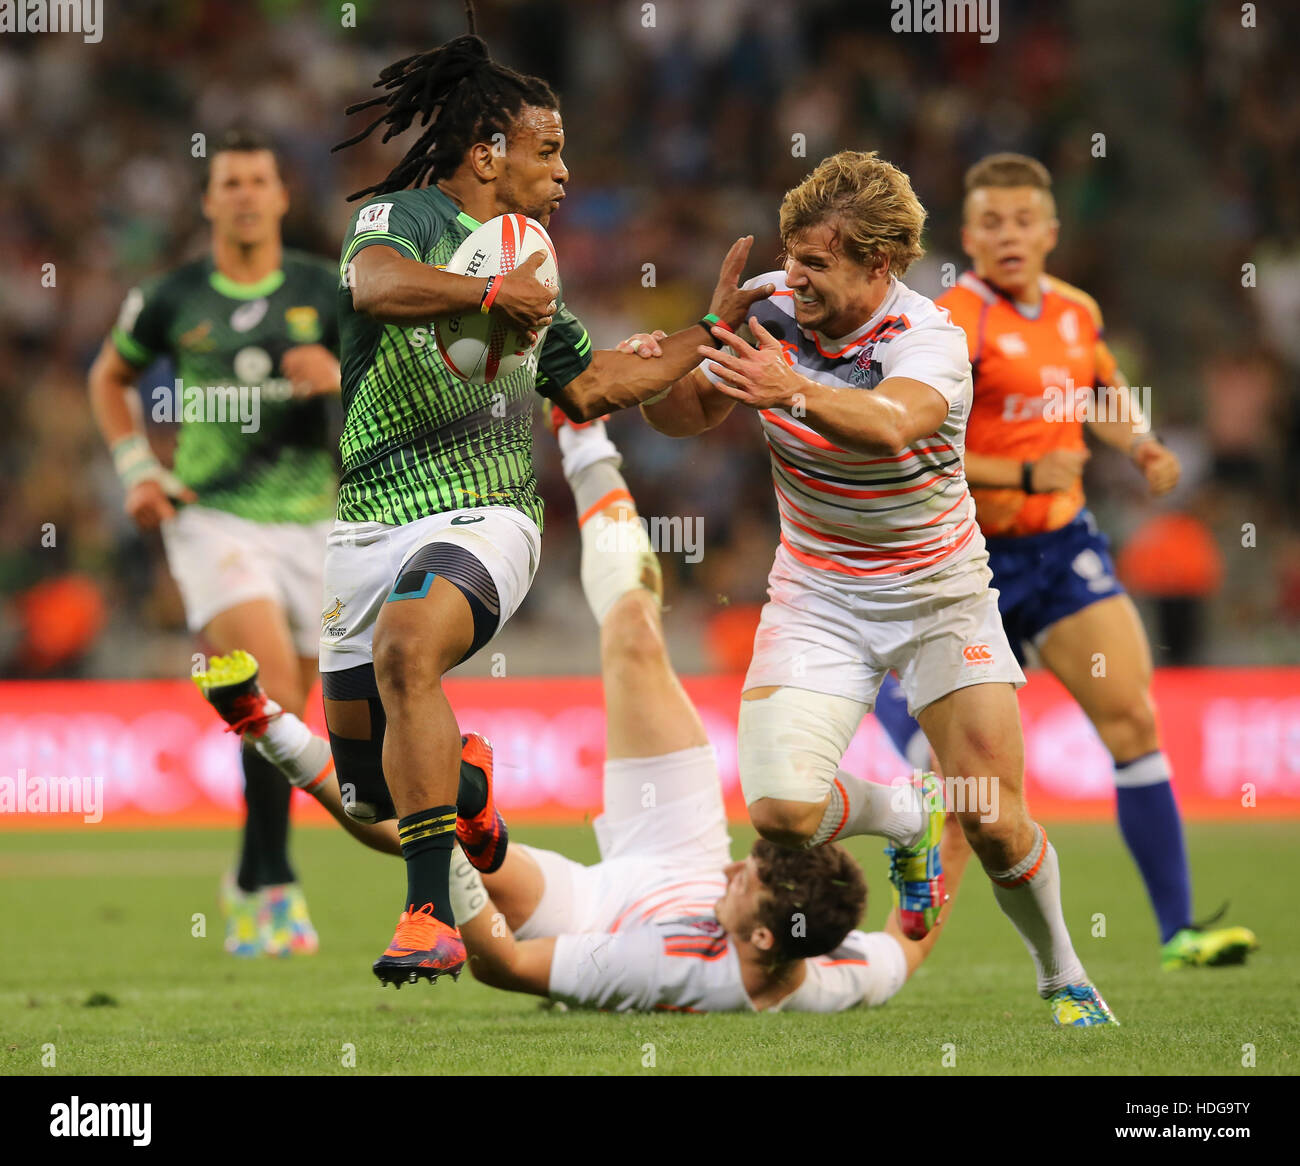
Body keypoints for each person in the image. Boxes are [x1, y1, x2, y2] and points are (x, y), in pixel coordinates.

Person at [202, 30, 772, 988]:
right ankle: (467, 796)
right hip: (367, 521)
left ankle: (427, 915)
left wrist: (709, 334)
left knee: (407, 647)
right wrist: (490, 294)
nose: (562, 171)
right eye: (547, 150)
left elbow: (588, 388)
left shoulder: (535, 268)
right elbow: (374, 288)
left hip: (485, 514)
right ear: (486, 155)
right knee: (372, 795)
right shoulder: (400, 221)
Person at [195, 413, 974, 1013]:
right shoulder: (830, 972)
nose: (739, 864)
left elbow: (503, 964)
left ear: (762, 938)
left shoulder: (673, 970)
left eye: (749, 881)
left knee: (409, 818)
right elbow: (907, 954)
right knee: (636, 634)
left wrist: (468, 872)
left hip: (597, 914)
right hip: (675, 841)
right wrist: (966, 804)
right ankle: (583, 433)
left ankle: (267, 723)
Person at [641, 149, 1117, 1025]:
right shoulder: (772, 317)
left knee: (1000, 825)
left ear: (880, 265)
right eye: (792, 256)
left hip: (942, 595)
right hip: (819, 594)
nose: (793, 277)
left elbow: (898, 424)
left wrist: (795, 391)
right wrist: (703, 341)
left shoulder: (928, 335)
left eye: (815, 262)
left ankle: (1062, 972)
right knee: (781, 812)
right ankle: (907, 818)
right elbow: (675, 418)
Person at [871, 153, 1257, 970]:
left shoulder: (1077, 312)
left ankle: (1180, 931)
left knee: (1135, 721)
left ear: (1050, 232)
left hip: (1061, 548)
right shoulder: (950, 323)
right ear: (969, 236)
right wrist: (1015, 472)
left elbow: (1102, 393)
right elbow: (905, 443)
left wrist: (1143, 444)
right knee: (958, 780)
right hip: (966, 556)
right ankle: (897, 947)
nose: (1009, 235)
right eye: (992, 223)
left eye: (1023, 221)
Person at [88, 129, 343, 958]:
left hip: (315, 520)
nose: (242, 193)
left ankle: (246, 873)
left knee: (285, 717)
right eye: (227, 180)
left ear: (279, 196)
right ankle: (274, 892)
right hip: (212, 517)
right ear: (208, 200)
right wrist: (137, 468)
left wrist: (340, 374)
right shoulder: (172, 297)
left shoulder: (323, 287)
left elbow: (386, 373)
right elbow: (109, 376)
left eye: (256, 180)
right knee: (267, 680)